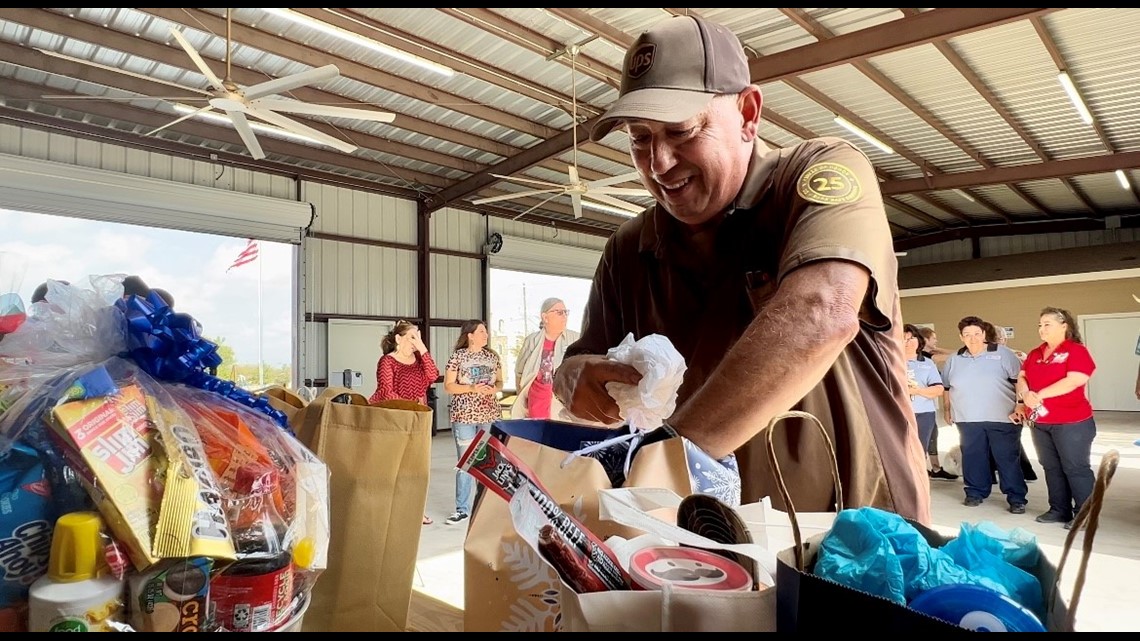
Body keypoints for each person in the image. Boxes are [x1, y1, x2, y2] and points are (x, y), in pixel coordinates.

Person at [553, 15, 930, 523]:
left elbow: (823, 311)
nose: (659, 162)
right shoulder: (628, 248)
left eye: (682, 131)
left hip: (857, 535)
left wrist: (668, 458)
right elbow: (580, 365)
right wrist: (572, 376)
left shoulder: (815, 176)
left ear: (748, 113)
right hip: (707, 541)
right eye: (640, 139)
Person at [1014, 307, 1097, 530]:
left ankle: (1085, 514)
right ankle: (1059, 509)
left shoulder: (1076, 351)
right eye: (1040, 325)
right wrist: (1024, 395)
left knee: (1075, 467)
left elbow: (1075, 380)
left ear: (1064, 326)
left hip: (1072, 422)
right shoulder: (1035, 353)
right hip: (1040, 422)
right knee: (1051, 466)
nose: (1042, 329)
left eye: (1047, 324)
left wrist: (1039, 395)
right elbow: (1022, 377)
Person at [941, 316, 1028, 513]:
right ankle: (975, 492)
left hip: (1003, 417)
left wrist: (1020, 405)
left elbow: (1019, 382)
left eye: (977, 334)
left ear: (984, 334)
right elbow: (946, 388)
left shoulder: (1003, 354)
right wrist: (947, 410)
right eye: (967, 335)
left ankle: (1016, 497)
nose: (973, 338)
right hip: (967, 418)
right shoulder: (954, 359)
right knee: (973, 457)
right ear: (961, 337)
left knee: (1007, 458)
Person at [369, 320, 440, 525]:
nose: (416, 342)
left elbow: (433, 375)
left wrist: (423, 350)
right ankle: (389, 510)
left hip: (417, 419)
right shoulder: (387, 362)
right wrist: (407, 408)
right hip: (394, 418)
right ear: (398, 339)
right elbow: (386, 391)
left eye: (418, 337)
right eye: (412, 337)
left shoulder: (419, 360)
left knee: (416, 468)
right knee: (393, 467)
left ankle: (417, 510)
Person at [443, 320, 503, 525]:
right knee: (467, 461)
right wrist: (472, 389)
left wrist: (493, 389)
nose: (485, 334)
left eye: (486, 331)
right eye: (481, 331)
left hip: (489, 414)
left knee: (488, 460)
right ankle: (462, 509)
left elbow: (500, 382)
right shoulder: (457, 357)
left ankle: (485, 506)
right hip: (464, 415)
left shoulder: (492, 357)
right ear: (470, 335)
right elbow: (449, 386)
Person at [511, 298, 580, 419]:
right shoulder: (532, 340)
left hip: (564, 401)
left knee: (560, 435)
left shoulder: (575, 338)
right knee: (538, 436)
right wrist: (521, 398)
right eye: (559, 312)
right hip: (537, 400)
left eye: (565, 312)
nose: (564, 316)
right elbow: (519, 372)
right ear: (545, 317)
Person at [903, 324, 950, 480]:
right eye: (903, 339)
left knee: (919, 450)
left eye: (911, 338)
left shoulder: (927, 363)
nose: (907, 342)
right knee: (898, 450)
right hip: (898, 413)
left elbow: (938, 389)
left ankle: (917, 482)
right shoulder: (890, 361)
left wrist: (917, 391)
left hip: (923, 414)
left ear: (919, 341)